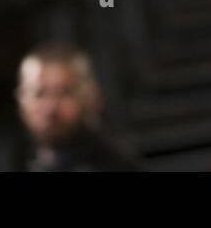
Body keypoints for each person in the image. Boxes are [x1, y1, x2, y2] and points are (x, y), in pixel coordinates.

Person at [15, 42, 138, 171]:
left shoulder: (115, 164)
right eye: (39, 93)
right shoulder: (27, 160)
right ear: (21, 98)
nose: (50, 107)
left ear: (91, 96)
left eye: (64, 93)